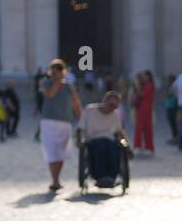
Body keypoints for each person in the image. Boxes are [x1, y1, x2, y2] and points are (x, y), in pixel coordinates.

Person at [40, 58, 83, 192]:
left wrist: (82, 119)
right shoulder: (45, 82)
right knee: (51, 150)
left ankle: (57, 178)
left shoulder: (69, 85)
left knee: (61, 151)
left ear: (62, 71)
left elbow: (76, 102)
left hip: (65, 121)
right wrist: (57, 82)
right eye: (53, 71)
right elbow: (50, 95)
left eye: (58, 71)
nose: (54, 73)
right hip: (49, 121)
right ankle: (54, 180)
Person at [76, 90, 130, 186]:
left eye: (115, 107)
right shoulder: (90, 110)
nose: (112, 109)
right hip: (92, 139)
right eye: (111, 105)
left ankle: (111, 176)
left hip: (109, 140)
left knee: (113, 147)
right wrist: (78, 139)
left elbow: (120, 133)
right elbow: (80, 128)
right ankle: (99, 176)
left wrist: (126, 146)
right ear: (104, 101)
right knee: (100, 146)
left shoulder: (115, 115)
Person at [132, 71, 155, 156]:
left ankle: (147, 147)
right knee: (140, 128)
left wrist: (137, 86)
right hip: (141, 109)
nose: (143, 78)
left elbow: (141, 95)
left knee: (146, 128)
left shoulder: (149, 85)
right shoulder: (144, 85)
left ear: (148, 77)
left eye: (145, 76)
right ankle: (141, 146)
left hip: (145, 109)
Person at [163, 74, 179, 145]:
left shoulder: (174, 86)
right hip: (170, 106)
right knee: (171, 122)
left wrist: (167, 94)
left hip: (173, 106)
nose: (168, 81)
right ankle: (174, 137)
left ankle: (176, 137)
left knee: (173, 123)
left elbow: (170, 95)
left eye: (169, 79)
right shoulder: (171, 86)